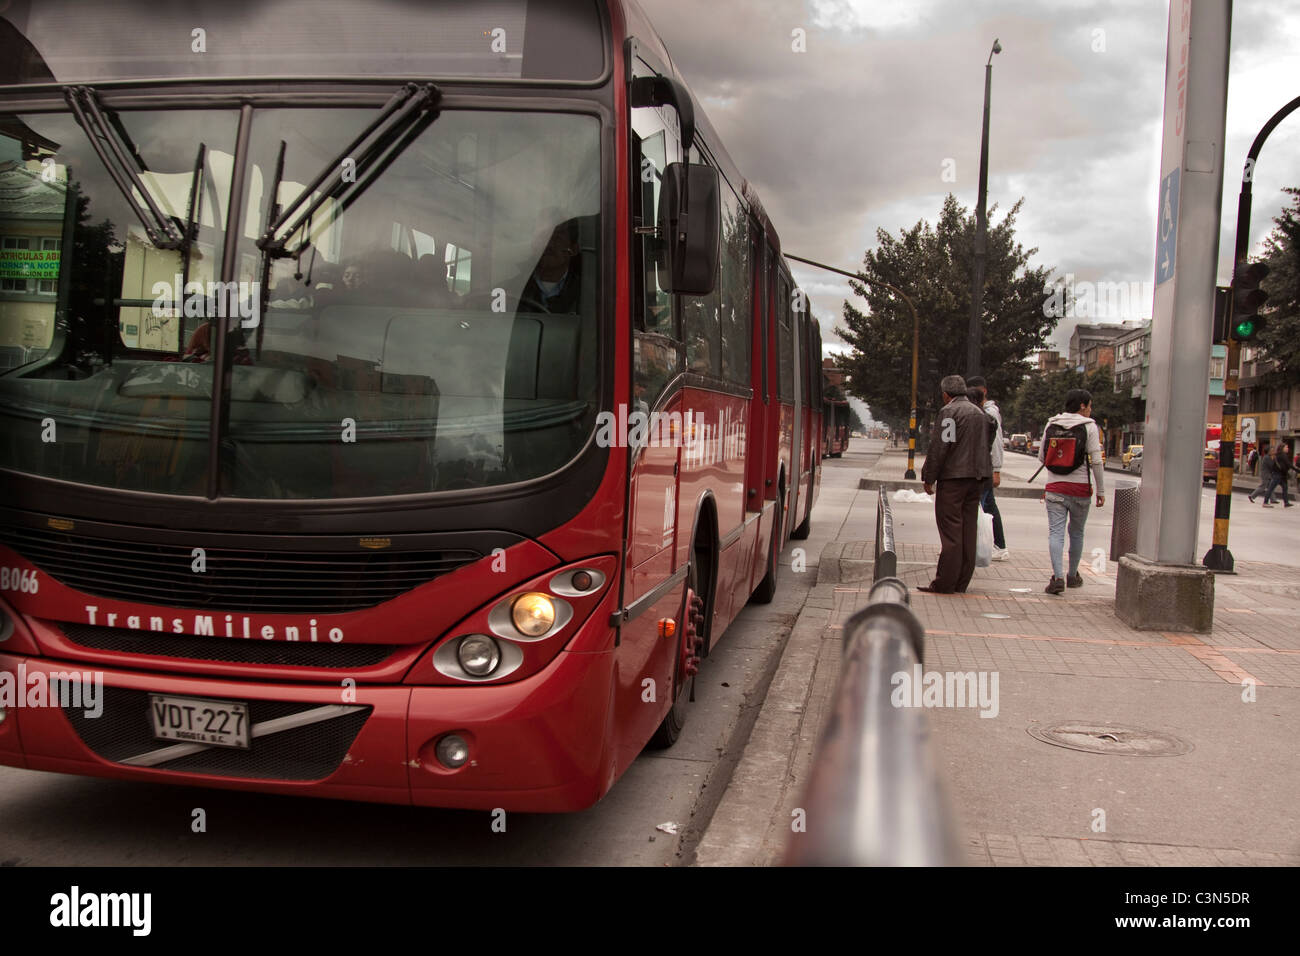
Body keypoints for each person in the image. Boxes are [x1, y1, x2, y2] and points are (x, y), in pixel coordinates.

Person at [919, 374, 992, 594]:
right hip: (976, 478)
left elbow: (941, 446)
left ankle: (945, 582)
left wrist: (929, 476)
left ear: (945, 394)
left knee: (951, 532)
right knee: (968, 529)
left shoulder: (949, 412)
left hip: (953, 479)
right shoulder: (980, 413)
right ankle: (962, 581)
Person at [1039, 388, 1105, 595]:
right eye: (1090, 406)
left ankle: (1057, 578)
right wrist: (1101, 490)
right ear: (1082, 406)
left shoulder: (1051, 424)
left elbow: (1042, 457)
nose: (1090, 410)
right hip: (1080, 490)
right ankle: (1072, 576)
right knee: (1077, 532)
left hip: (1055, 488)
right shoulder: (1090, 427)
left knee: (1056, 533)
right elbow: (1096, 461)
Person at [967, 376, 1008, 560]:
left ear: (982, 391)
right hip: (981, 468)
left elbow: (997, 442)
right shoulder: (980, 411)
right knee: (986, 506)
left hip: (986, 468)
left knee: (984, 507)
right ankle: (994, 545)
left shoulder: (990, 413)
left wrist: (997, 469)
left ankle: (993, 546)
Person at [520, 219, 582, 314]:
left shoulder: (589, 295)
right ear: (533, 245)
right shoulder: (508, 291)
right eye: (543, 236)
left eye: (557, 237)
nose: (548, 244)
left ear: (574, 249)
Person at [1266, 442, 1294, 508]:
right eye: (1286, 447)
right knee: (1270, 488)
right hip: (1277, 475)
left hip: (1282, 475)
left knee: (1285, 488)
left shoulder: (1279, 455)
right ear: (1282, 448)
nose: (1288, 448)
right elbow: (1289, 464)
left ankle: (1286, 502)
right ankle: (1265, 502)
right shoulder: (1282, 455)